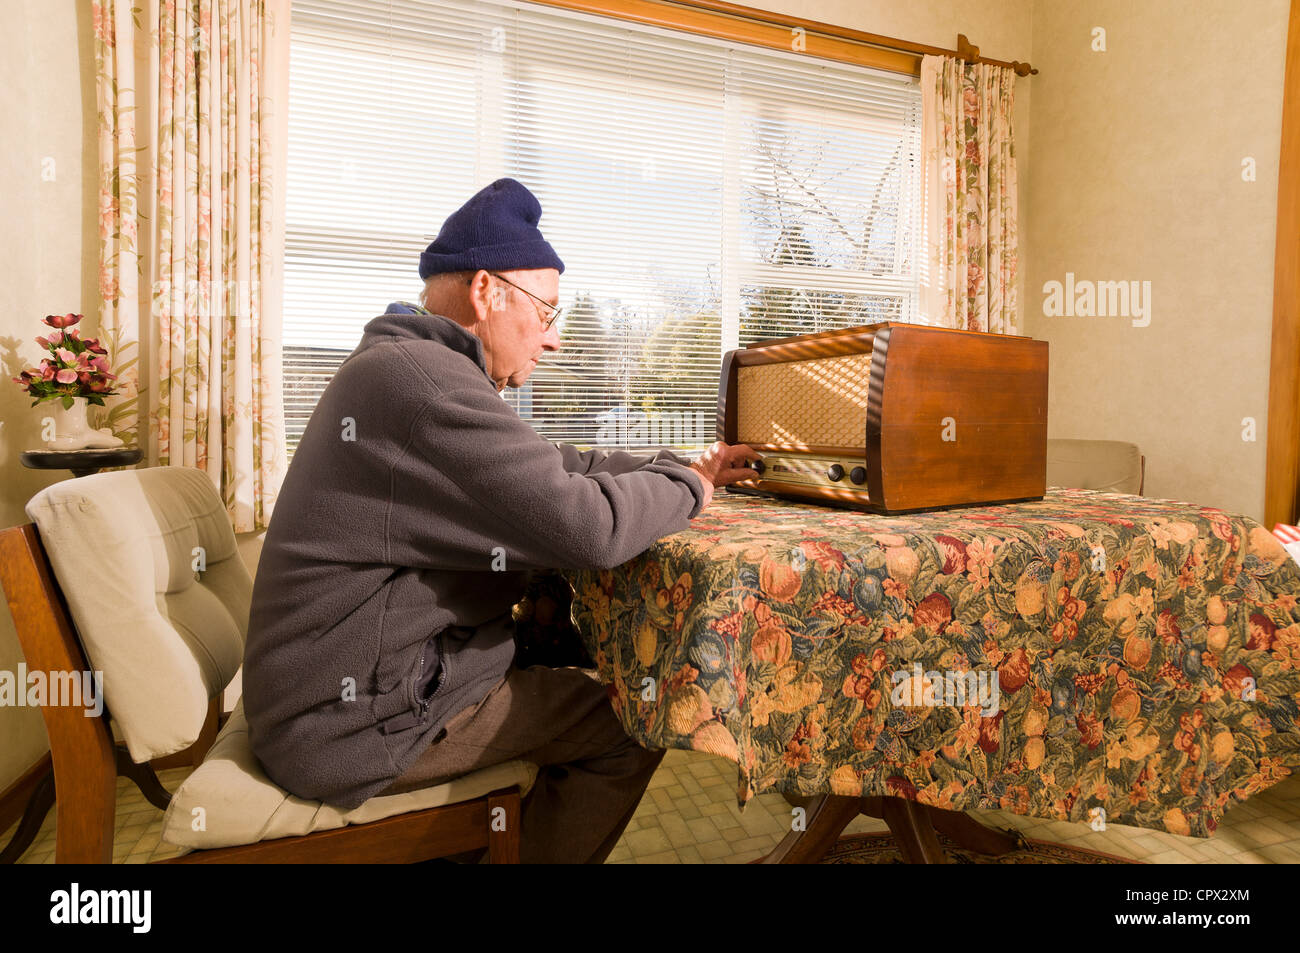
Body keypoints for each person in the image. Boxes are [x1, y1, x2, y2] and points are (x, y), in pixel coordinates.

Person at [242, 177, 760, 863]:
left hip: (347, 694)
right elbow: (590, 527)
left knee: (572, 645)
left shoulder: (411, 367)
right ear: (487, 291)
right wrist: (689, 485)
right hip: (351, 724)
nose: (550, 340)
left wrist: (674, 463)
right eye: (546, 313)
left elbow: (558, 464)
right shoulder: (423, 387)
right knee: (633, 720)